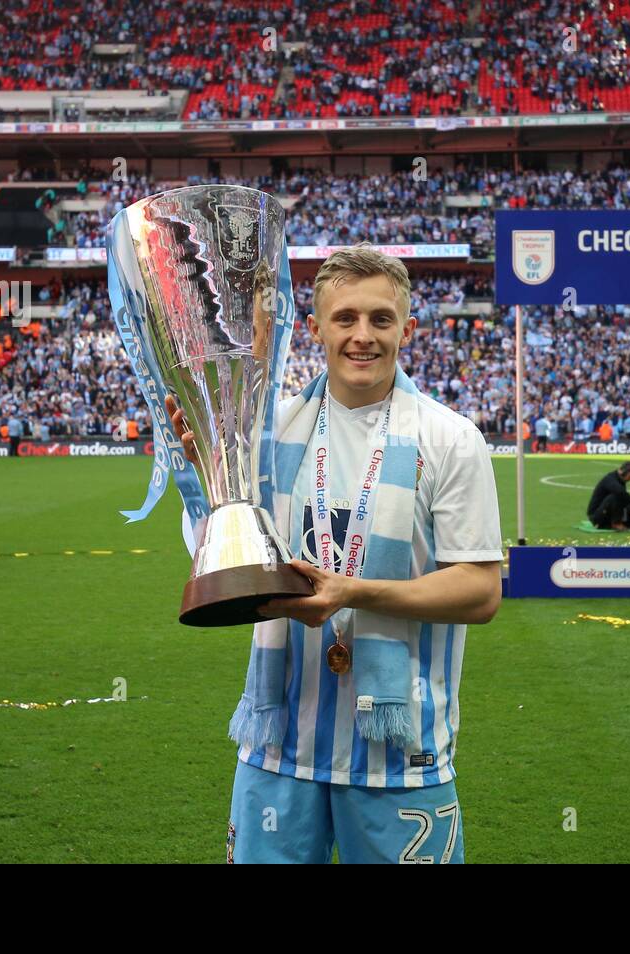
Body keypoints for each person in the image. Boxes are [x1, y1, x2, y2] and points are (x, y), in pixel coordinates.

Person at [167, 244, 503, 864]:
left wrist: (353, 593)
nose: (362, 336)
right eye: (345, 318)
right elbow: (222, 563)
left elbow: (481, 593)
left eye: (380, 319)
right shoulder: (269, 434)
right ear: (316, 327)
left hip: (401, 755)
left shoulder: (452, 440)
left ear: (407, 327)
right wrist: (212, 471)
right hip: (280, 749)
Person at [586, 461, 630, 530]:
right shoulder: (609, 479)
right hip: (596, 515)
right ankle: (616, 523)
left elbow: (624, 499)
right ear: (623, 472)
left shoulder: (621, 481)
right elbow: (620, 493)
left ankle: (614, 523)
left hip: (610, 511)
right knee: (616, 496)